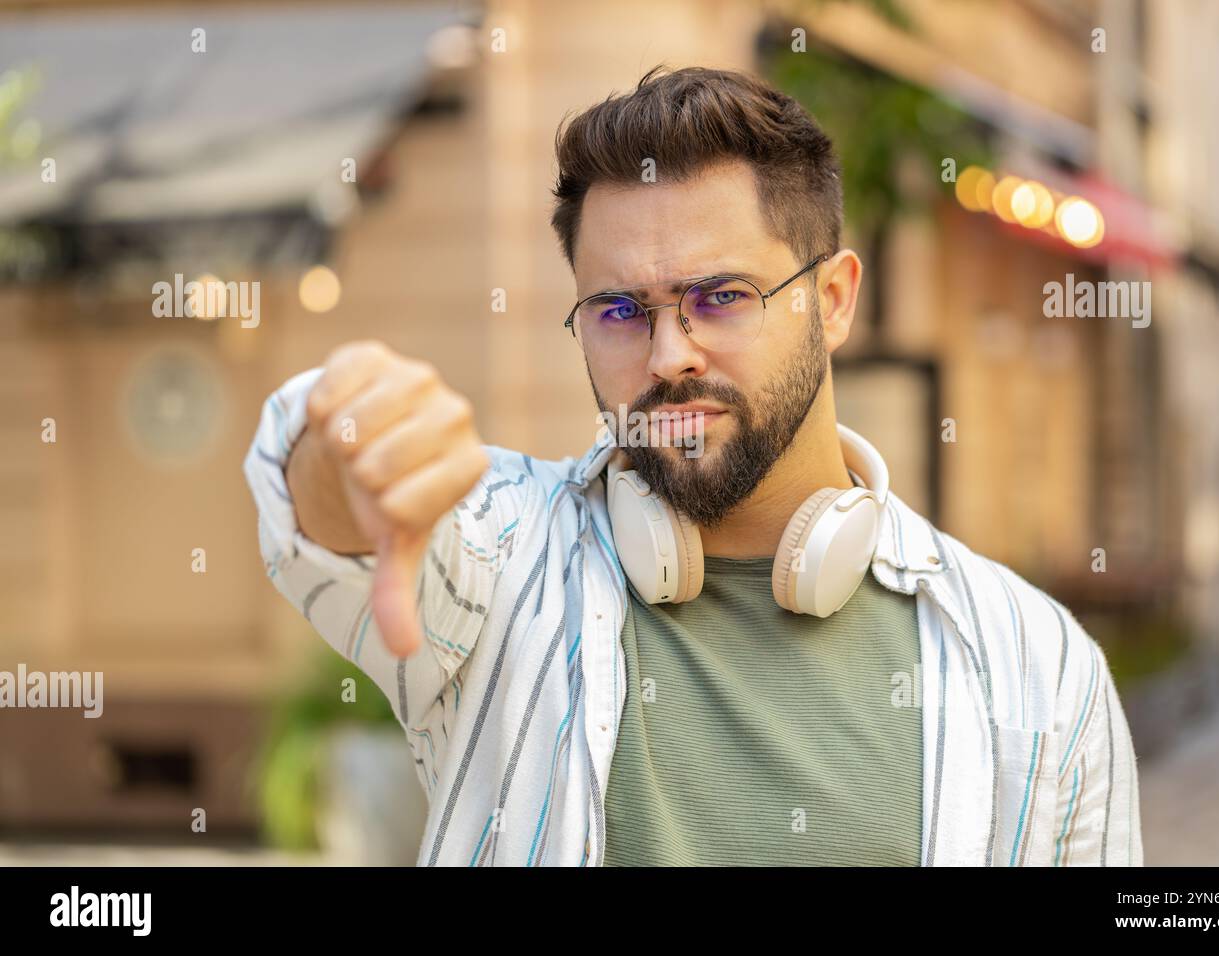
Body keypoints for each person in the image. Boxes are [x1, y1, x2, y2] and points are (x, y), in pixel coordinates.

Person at [243, 65, 1143, 867]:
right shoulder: (501, 561)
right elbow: (316, 510)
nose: (669, 353)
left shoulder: (1040, 668)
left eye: (720, 297)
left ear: (831, 302)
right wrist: (348, 441)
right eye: (621, 311)